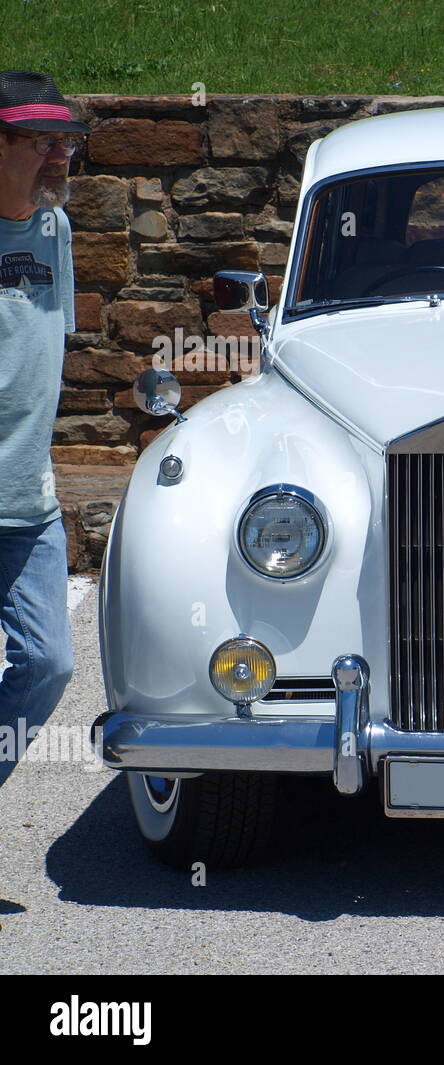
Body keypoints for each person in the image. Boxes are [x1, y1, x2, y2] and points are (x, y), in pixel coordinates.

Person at [0, 71, 88, 788]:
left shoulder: (56, 230)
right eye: (41, 140)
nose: (61, 154)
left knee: (49, 663)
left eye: (65, 140)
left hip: (29, 507)